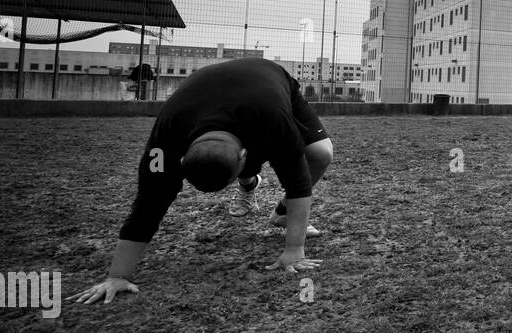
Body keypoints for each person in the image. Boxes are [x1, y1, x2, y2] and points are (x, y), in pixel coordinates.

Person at [69, 57, 332, 304]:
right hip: (208, 100)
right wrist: (117, 275)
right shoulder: (164, 141)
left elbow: (297, 180)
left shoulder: (275, 121)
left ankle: (274, 207)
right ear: (180, 160)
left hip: (270, 84)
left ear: (244, 157)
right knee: (164, 184)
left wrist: (295, 249)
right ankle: (248, 182)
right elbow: (150, 200)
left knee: (320, 154)